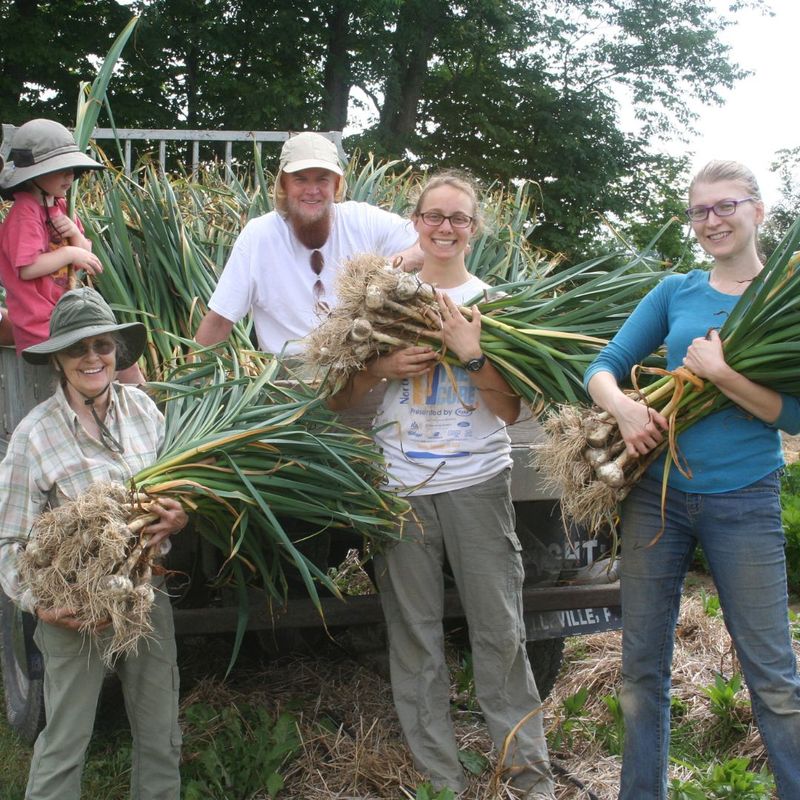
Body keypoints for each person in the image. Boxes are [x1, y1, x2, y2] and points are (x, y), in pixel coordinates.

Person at [329, 172, 556, 798]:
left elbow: (510, 412)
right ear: (417, 222)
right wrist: (382, 365)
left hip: (477, 481)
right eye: (435, 216)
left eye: (459, 218)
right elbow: (338, 395)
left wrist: (472, 351)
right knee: (415, 637)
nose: (446, 228)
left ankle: (527, 777)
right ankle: (441, 781)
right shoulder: (384, 303)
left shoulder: (495, 304)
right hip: (400, 488)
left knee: (499, 631)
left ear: (474, 229)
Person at [584, 161, 800, 800]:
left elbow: (795, 414)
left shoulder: (786, 298)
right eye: (700, 211)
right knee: (641, 671)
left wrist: (723, 373)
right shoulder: (676, 291)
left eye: (726, 205)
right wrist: (624, 409)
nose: (713, 221)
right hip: (657, 498)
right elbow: (603, 366)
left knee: (773, 677)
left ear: (759, 211)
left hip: (745, 499)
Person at [0, 287, 186, 800]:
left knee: (161, 734)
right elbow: (9, 537)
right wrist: (40, 603)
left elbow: (176, 496)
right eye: (77, 348)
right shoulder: (34, 435)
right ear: (58, 358)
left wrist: (179, 516)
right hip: (73, 608)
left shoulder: (145, 412)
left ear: (116, 352)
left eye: (101, 345)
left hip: (147, 597)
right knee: (65, 740)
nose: (91, 358)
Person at [195, 131, 422, 354]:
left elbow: (430, 243)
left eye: (322, 179)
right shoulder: (259, 236)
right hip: (290, 379)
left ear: (336, 185)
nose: (312, 191)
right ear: (284, 185)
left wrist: (386, 269)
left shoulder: (364, 221)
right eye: (300, 179)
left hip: (363, 365)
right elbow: (220, 320)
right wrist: (191, 383)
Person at [0, 119, 104, 353]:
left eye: (72, 169)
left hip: (68, 315)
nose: (70, 176)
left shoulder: (62, 206)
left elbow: (85, 261)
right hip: (40, 325)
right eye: (60, 170)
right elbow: (27, 268)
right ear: (34, 174)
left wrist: (76, 235)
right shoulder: (25, 213)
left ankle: (138, 388)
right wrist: (70, 251)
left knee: (112, 350)